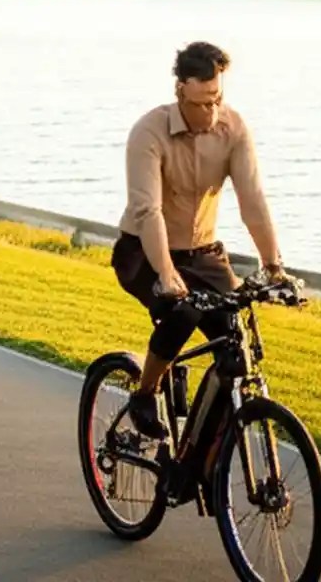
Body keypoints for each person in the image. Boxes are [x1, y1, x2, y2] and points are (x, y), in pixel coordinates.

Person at [113, 41, 289, 441]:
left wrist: (274, 267)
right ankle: (144, 393)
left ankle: (207, 451)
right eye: (202, 102)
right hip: (143, 252)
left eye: (218, 99)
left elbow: (253, 200)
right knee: (183, 311)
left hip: (203, 253)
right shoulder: (149, 131)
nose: (211, 111)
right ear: (180, 90)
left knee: (232, 342)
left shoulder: (234, 128)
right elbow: (148, 211)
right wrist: (167, 273)